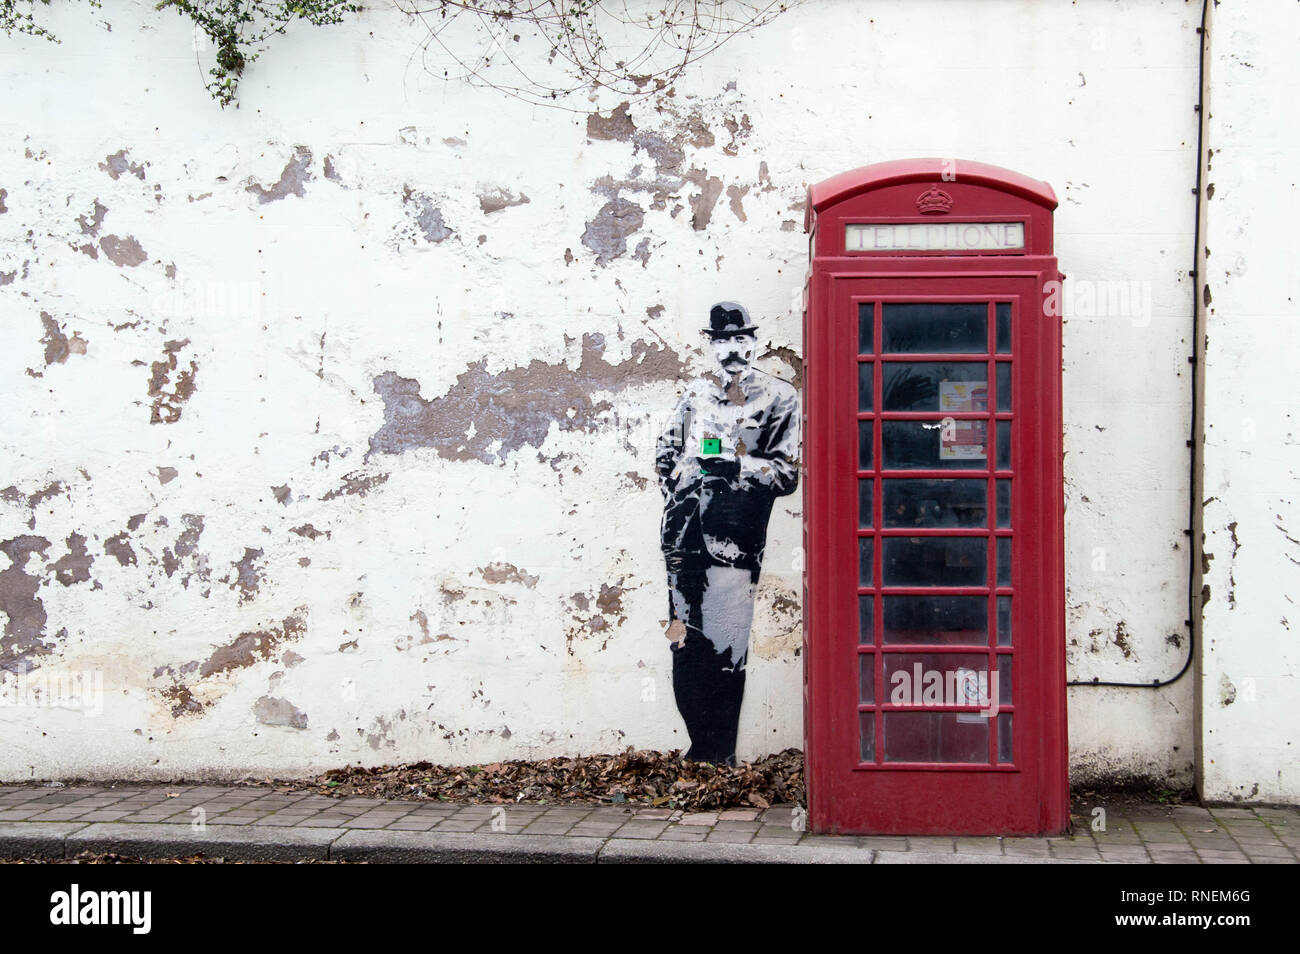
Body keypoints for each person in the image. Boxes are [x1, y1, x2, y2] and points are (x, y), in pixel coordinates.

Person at [655, 302, 800, 765]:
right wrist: (680, 488)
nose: (732, 349)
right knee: (684, 643)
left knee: (726, 648)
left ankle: (721, 754)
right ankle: (700, 749)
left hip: (734, 545)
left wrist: (736, 466)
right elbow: (666, 450)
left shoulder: (779, 397)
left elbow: (787, 473)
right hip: (682, 539)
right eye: (722, 340)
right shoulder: (695, 392)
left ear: (753, 342)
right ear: (712, 344)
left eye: (740, 340)